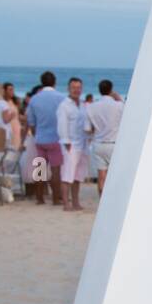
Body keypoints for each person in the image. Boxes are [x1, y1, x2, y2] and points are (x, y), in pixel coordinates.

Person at [24, 71, 65, 205]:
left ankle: (40, 198)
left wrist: (37, 135)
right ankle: (55, 198)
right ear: (54, 82)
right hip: (55, 138)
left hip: (40, 138)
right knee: (55, 170)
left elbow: (31, 121)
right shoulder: (61, 98)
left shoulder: (35, 98)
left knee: (40, 169)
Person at [83, 79, 124, 191]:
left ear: (99, 90)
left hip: (98, 144)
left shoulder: (91, 107)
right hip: (113, 144)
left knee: (101, 175)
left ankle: (101, 201)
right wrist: (118, 97)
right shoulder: (119, 105)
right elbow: (127, 115)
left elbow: (87, 129)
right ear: (111, 90)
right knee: (115, 175)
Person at [57, 76, 89, 211]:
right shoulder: (64, 106)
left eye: (78, 88)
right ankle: (66, 203)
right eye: (73, 88)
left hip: (82, 144)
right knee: (67, 175)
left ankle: (76, 202)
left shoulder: (83, 104)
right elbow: (61, 125)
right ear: (68, 89)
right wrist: (66, 142)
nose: (76, 90)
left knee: (78, 176)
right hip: (70, 145)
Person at [3, 82, 22, 150]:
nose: (12, 92)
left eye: (13, 90)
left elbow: (18, 115)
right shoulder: (2, 102)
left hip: (16, 127)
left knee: (16, 147)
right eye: (10, 90)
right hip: (8, 127)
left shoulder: (15, 101)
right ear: (4, 91)